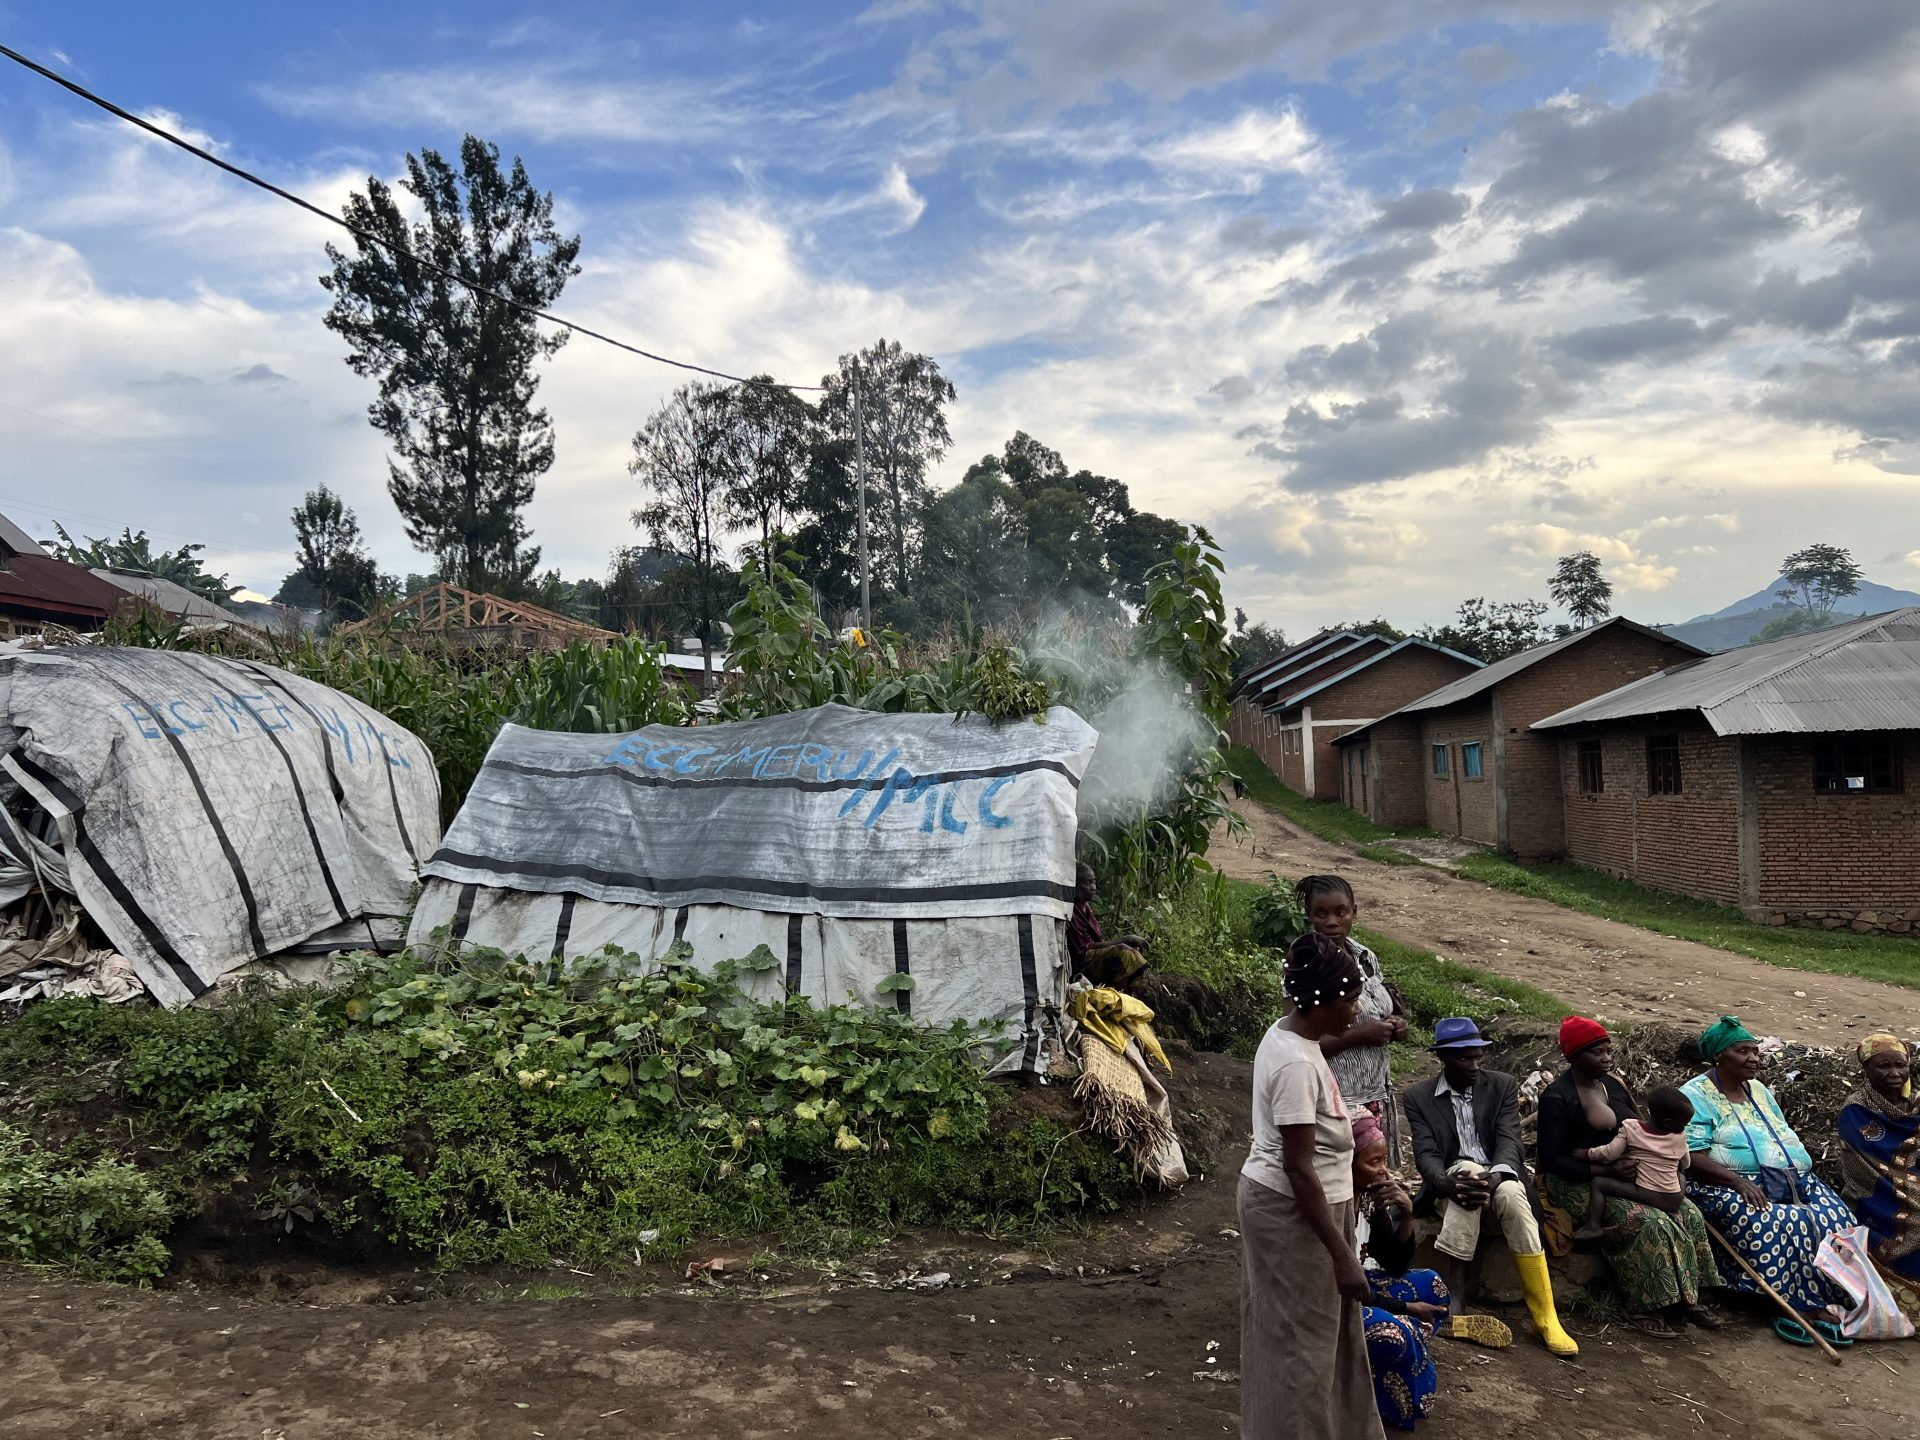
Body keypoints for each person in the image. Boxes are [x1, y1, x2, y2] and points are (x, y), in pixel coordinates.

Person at [1238, 932, 1383, 1439]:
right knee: (1303, 1345)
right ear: (1319, 1002)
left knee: (1312, 1336)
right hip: (1294, 1212)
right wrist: (1342, 1253)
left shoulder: (1291, 1036)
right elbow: (1300, 1167)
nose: (1356, 1007)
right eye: (1348, 998)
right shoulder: (1296, 1066)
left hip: (1306, 1205)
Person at [1402, 1017, 1579, 1357]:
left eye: (1478, 1056)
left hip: (1499, 1178)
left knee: (1512, 1193)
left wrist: (1496, 1177)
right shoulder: (1418, 1097)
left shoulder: (1501, 1085)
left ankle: (1545, 1314)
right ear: (1443, 1058)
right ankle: (1456, 1296)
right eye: (1464, 1058)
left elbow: (1509, 1142)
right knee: (1467, 1172)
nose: (1474, 1065)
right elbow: (1426, 1152)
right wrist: (1443, 1181)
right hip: (1452, 1180)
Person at [1535, 1016, 1720, 1338]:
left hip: (1629, 1177)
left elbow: (1641, 1131)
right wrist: (1604, 1169)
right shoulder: (1557, 1098)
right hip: (1579, 1182)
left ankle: (1690, 1298)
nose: (1607, 1059)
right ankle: (1644, 1304)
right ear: (1574, 1057)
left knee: (1688, 1212)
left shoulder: (1614, 1087)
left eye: (1609, 1051)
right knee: (1649, 1221)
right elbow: (1552, 1161)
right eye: (1597, 1053)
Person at [1682, 1015, 1856, 1321]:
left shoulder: (1759, 1089)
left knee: (1837, 1217)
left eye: (1755, 1051)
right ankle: (1784, 1301)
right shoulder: (1695, 1094)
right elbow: (1691, 1155)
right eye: (1742, 1051)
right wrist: (1738, 1182)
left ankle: (1837, 1293)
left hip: (1788, 1178)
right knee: (1772, 1220)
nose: (1753, 1059)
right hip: (1722, 1183)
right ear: (1719, 1055)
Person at [1352, 1111, 1469, 1432]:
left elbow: (1395, 1264)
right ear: (1345, 1164)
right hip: (1336, 1300)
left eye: (1384, 1161)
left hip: (1362, 1287)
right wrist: (1405, 1308)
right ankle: (1364, 1389)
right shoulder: (1333, 1205)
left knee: (1433, 1286)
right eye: (1372, 1163)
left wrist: (1405, 1215)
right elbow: (1350, 1288)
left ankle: (1389, 1360)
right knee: (1396, 1335)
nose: (1383, 1171)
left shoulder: (1369, 1198)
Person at [1298, 875, 1410, 1162]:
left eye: (1341, 912)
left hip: (1376, 1092)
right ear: (1309, 916)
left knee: (1373, 1185)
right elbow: (1299, 1045)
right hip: (1336, 1099)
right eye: (1321, 914)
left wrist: (1395, 1025)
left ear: (1354, 912)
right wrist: (1359, 1036)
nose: (1331, 922)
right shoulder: (1307, 966)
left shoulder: (1366, 957)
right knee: (1344, 1182)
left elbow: (1380, 1010)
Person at [1836, 1033, 1920, 1314]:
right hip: (1878, 1193)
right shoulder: (1856, 1110)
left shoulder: (1917, 1103)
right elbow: (1868, 1165)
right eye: (1884, 1066)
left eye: (1900, 1065)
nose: (1895, 1073)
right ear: (1867, 1069)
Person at [1572, 1086, 1696, 1239]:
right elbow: (1686, 1164)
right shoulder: (1680, 1137)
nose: (1684, 1128)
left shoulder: (1631, 1128)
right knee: (1680, 1175)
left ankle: (1592, 1226)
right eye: (1684, 1124)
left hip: (1646, 1193)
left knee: (1598, 1183)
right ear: (1668, 1123)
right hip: (1675, 1198)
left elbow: (1609, 1154)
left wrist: (1586, 1153)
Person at [1066, 862, 1149, 991]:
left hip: (1092, 958)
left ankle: (1127, 996)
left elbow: (1097, 942)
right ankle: (1115, 998)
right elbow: (1086, 948)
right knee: (1124, 952)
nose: (1093, 887)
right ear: (1076, 884)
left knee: (1132, 950)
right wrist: (1125, 938)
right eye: (1088, 882)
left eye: (1094, 882)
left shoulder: (1085, 908)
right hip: (1080, 966)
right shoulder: (1071, 910)